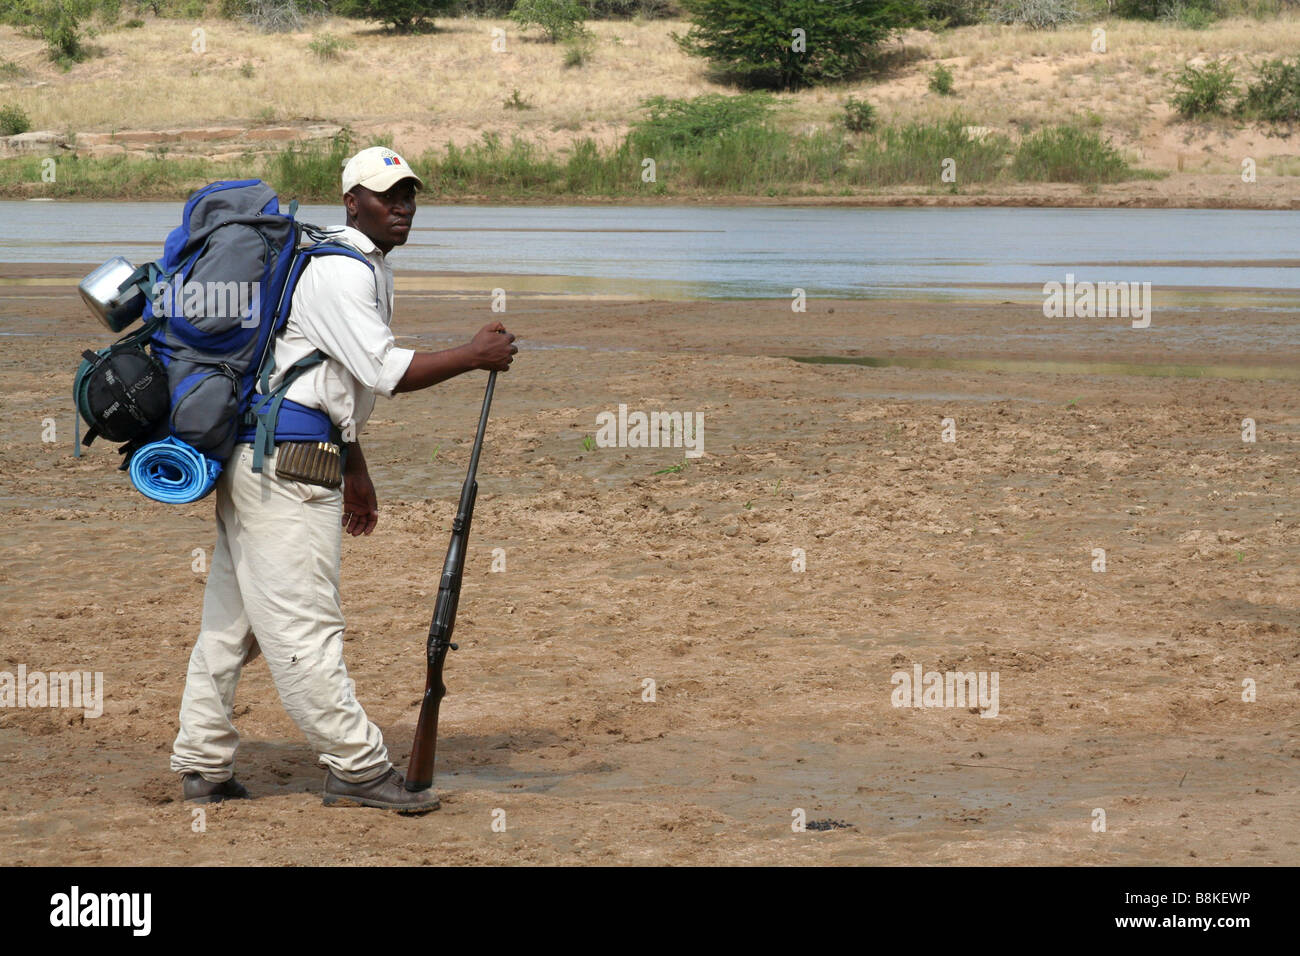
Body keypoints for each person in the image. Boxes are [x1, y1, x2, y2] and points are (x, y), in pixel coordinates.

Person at [169, 146, 517, 813]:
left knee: (233, 625)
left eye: (409, 194)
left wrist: (355, 466)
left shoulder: (350, 264)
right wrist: (475, 356)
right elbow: (385, 372)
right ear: (352, 200)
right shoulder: (340, 272)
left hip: (268, 456)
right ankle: (356, 768)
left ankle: (203, 764)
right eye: (387, 195)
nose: (403, 206)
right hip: (287, 467)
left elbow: (328, 379)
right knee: (305, 626)